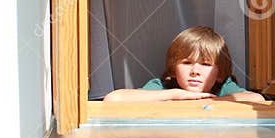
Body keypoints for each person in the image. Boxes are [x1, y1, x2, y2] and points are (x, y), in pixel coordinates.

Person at [103, 26, 265, 102]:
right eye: (187, 63)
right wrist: (175, 95)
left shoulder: (223, 88)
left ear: (220, 74)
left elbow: (256, 99)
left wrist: (210, 102)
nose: (195, 71)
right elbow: (113, 98)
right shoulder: (165, 86)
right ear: (173, 70)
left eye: (206, 65)